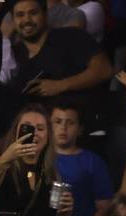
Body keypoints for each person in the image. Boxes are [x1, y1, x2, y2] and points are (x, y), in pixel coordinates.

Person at [7, 0, 113, 129]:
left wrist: (60, 85)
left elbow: (104, 70)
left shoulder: (70, 36)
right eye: (20, 15)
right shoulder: (13, 56)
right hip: (42, 133)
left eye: (33, 13)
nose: (27, 20)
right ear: (13, 20)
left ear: (45, 15)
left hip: (84, 125)